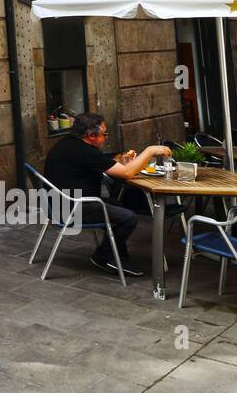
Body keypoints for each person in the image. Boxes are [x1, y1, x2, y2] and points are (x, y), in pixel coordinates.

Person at [41, 113, 173, 277]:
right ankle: (103, 256)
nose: (106, 137)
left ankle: (118, 258)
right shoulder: (86, 152)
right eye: (104, 134)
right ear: (91, 136)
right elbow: (127, 173)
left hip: (58, 204)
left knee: (116, 205)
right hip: (73, 209)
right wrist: (150, 150)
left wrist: (120, 161)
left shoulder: (69, 143)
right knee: (128, 218)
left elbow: (106, 164)